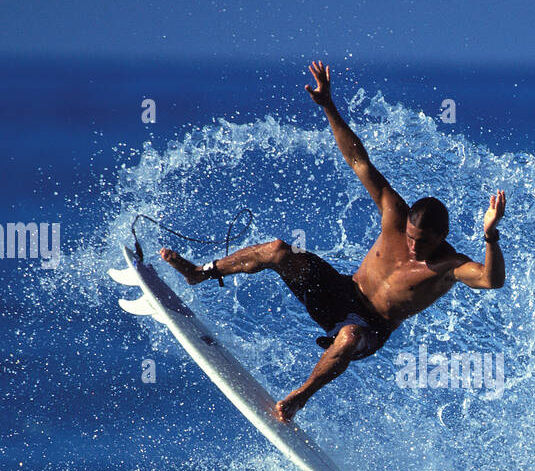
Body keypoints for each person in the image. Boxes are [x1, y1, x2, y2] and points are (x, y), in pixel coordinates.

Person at [159, 60, 507, 423]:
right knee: (280, 250)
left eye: (422, 242)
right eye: (410, 236)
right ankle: (201, 272)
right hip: (339, 292)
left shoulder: (449, 266)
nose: (413, 246)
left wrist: (490, 234)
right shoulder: (394, 215)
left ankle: (297, 399)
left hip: (371, 327)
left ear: (441, 237)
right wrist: (328, 105)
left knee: (350, 334)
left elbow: (491, 280)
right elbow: (359, 160)